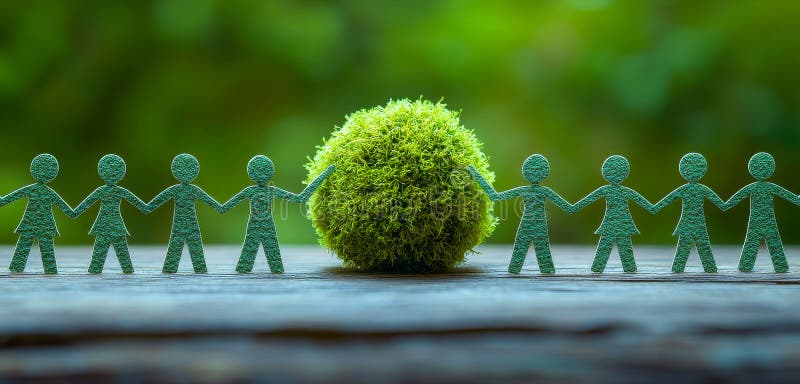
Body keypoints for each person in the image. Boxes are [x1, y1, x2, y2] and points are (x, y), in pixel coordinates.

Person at [222, 155, 334, 273]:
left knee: (257, 264)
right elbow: (300, 198)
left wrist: (325, 174)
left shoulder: (256, 190)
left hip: (260, 227)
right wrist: (326, 173)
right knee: (264, 264)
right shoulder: (262, 190)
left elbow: (225, 207)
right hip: (260, 227)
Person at [467, 154, 572, 274]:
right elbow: (569, 208)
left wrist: (474, 173)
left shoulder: (527, 190)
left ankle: (519, 271)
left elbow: (495, 196)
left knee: (520, 258)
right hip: (537, 226)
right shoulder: (544, 191)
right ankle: (531, 271)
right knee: (541, 260)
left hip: (528, 225)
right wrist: (474, 173)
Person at [571, 155, 654, 273]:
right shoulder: (625, 191)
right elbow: (648, 206)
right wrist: (656, 207)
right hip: (621, 224)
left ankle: (603, 268)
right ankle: (623, 268)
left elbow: (584, 202)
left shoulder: (607, 190)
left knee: (612, 246)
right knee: (620, 247)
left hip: (612, 224)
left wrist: (572, 208)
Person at [73, 154, 149, 273]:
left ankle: (118, 268)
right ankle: (125, 268)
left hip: (105, 225)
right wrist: (148, 207)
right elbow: (141, 205)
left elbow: (84, 205)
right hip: (114, 224)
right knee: (115, 250)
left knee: (105, 250)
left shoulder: (102, 190)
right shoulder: (117, 191)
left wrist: (73, 213)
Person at [147, 154, 223, 273]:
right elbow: (212, 203)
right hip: (186, 225)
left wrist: (146, 207)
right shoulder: (189, 189)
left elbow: (154, 203)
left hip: (184, 225)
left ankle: (180, 268)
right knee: (189, 247)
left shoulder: (183, 189)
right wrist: (222, 208)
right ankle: (193, 268)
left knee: (186, 247)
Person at [652, 153, 727, 273]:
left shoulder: (690, 189)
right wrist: (654, 208)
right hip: (693, 224)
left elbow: (666, 200)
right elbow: (721, 204)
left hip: (690, 223)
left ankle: (690, 267)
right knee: (693, 245)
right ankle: (706, 267)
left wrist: (654, 208)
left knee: (694, 245)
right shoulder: (699, 189)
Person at [725, 152, 799, 273]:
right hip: (762, 221)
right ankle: (777, 266)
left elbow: (731, 201)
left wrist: (724, 205)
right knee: (763, 242)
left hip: (761, 221)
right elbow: (793, 198)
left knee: (761, 242)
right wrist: (724, 205)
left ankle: (749, 265)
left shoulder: (756, 187)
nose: (762, 169)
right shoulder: (762, 187)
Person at [2, 154, 74, 273]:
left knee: (28, 246)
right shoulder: (48, 192)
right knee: (44, 248)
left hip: (30, 223)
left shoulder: (33, 189)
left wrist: (3, 201)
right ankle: (48, 269)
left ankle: (19, 267)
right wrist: (76, 212)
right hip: (43, 225)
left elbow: (10, 198)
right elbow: (67, 210)